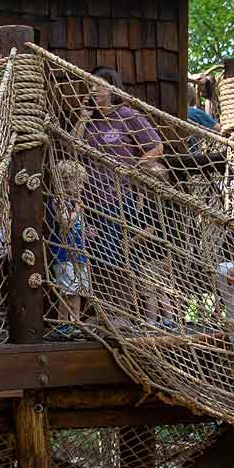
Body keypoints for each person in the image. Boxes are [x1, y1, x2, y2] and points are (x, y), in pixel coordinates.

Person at [74, 68, 164, 325]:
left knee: (115, 254)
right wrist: (82, 117)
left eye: (99, 86)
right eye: (90, 86)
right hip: (90, 199)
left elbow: (156, 146)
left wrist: (134, 169)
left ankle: (121, 315)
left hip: (119, 197)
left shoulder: (127, 115)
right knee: (96, 256)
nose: (94, 91)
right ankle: (104, 314)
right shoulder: (90, 121)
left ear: (112, 89)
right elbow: (72, 145)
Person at [48, 159, 91, 339]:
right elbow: (65, 222)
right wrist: (77, 210)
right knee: (68, 290)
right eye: (78, 182)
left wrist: (88, 232)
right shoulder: (58, 201)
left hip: (78, 254)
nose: (81, 187)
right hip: (64, 255)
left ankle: (76, 322)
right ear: (65, 182)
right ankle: (63, 323)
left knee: (79, 290)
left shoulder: (73, 202)